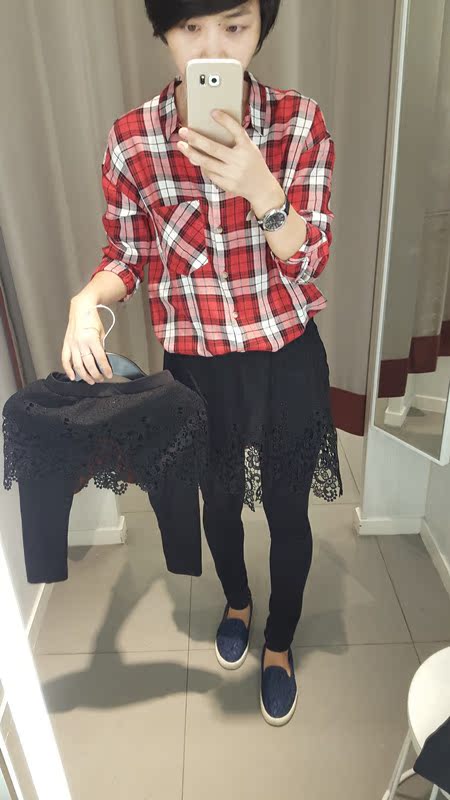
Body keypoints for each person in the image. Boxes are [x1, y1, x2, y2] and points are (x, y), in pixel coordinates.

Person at [62, 0, 343, 726]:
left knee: (287, 511)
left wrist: (262, 188)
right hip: (196, 365)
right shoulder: (133, 142)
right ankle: (238, 603)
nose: (211, 46)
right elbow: (128, 255)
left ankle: (279, 642)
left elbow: (310, 258)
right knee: (217, 502)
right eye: (190, 27)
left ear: (261, 28)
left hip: (284, 360)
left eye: (234, 26)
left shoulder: (298, 123)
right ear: (162, 31)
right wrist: (85, 300)